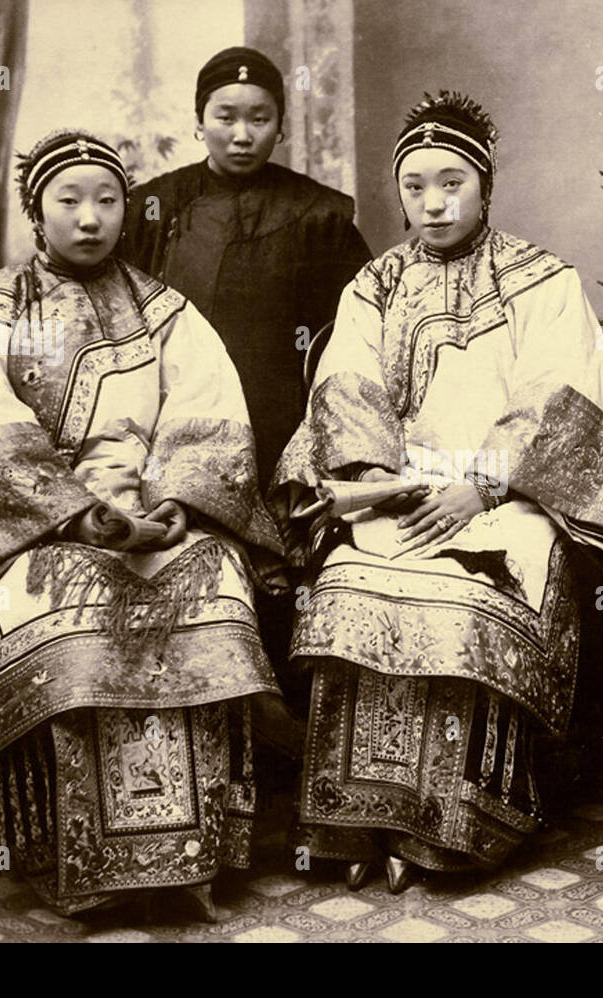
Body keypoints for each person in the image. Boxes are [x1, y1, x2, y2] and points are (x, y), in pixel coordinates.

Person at [0, 129, 286, 918]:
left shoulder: (166, 310)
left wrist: (181, 497)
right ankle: (70, 851)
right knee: (52, 609)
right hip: (40, 525)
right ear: (36, 214)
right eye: (68, 201)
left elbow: (206, 409)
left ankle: (195, 854)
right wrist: (76, 512)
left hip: (157, 510)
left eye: (106, 199)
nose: (90, 218)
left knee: (214, 582)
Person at [271, 91, 603, 893]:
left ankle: (452, 823)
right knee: (351, 580)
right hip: (395, 492)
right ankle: (355, 818)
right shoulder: (374, 284)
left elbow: (561, 397)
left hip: (510, 497)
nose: (433, 203)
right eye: (414, 186)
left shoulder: (541, 280)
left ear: (485, 185)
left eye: (451, 182)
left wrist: (479, 486)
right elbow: (345, 384)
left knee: (460, 594)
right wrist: (374, 483)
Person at [121, 46, 373, 724]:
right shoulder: (153, 209)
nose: (241, 133)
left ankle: (287, 722)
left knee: (288, 564)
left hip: (284, 417)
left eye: (259, 118)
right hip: (183, 423)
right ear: (198, 119)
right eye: (225, 116)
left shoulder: (318, 213)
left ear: (281, 125)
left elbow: (355, 329)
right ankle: (199, 720)